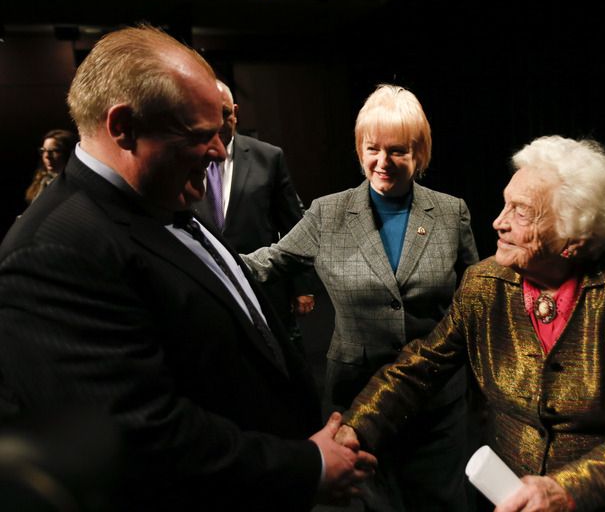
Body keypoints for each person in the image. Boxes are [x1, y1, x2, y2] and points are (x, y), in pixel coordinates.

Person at [0, 25, 374, 511]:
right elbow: (138, 436)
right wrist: (306, 465)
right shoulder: (53, 252)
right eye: (200, 136)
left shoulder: (162, 198)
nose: (219, 152)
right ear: (124, 127)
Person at [337, 136, 605, 512]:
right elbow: (420, 367)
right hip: (506, 494)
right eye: (505, 205)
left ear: (574, 236)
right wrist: (357, 427)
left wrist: (568, 490)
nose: (498, 222)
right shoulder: (484, 285)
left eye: (521, 212)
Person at [242, 84, 480, 511]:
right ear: (360, 149)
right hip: (355, 397)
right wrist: (201, 261)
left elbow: (475, 298)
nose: (382, 162)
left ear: (419, 153)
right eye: (373, 149)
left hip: (435, 398)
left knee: (439, 501)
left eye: (397, 151)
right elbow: (268, 262)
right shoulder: (327, 212)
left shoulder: (450, 212)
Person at [191, 80, 317, 348]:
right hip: (207, 289)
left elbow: (294, 225)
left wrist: (302, 286)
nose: (218, 121)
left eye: (224, 112)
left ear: (236, 111)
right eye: (209, 113)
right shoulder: (185, 160)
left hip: (265, 288)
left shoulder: (268, 157)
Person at [24, 129, 77, 204]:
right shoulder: (43, 180)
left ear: (68, 153)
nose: (47, 156)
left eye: (55, 151)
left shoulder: (74, 185)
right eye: (43, 150)